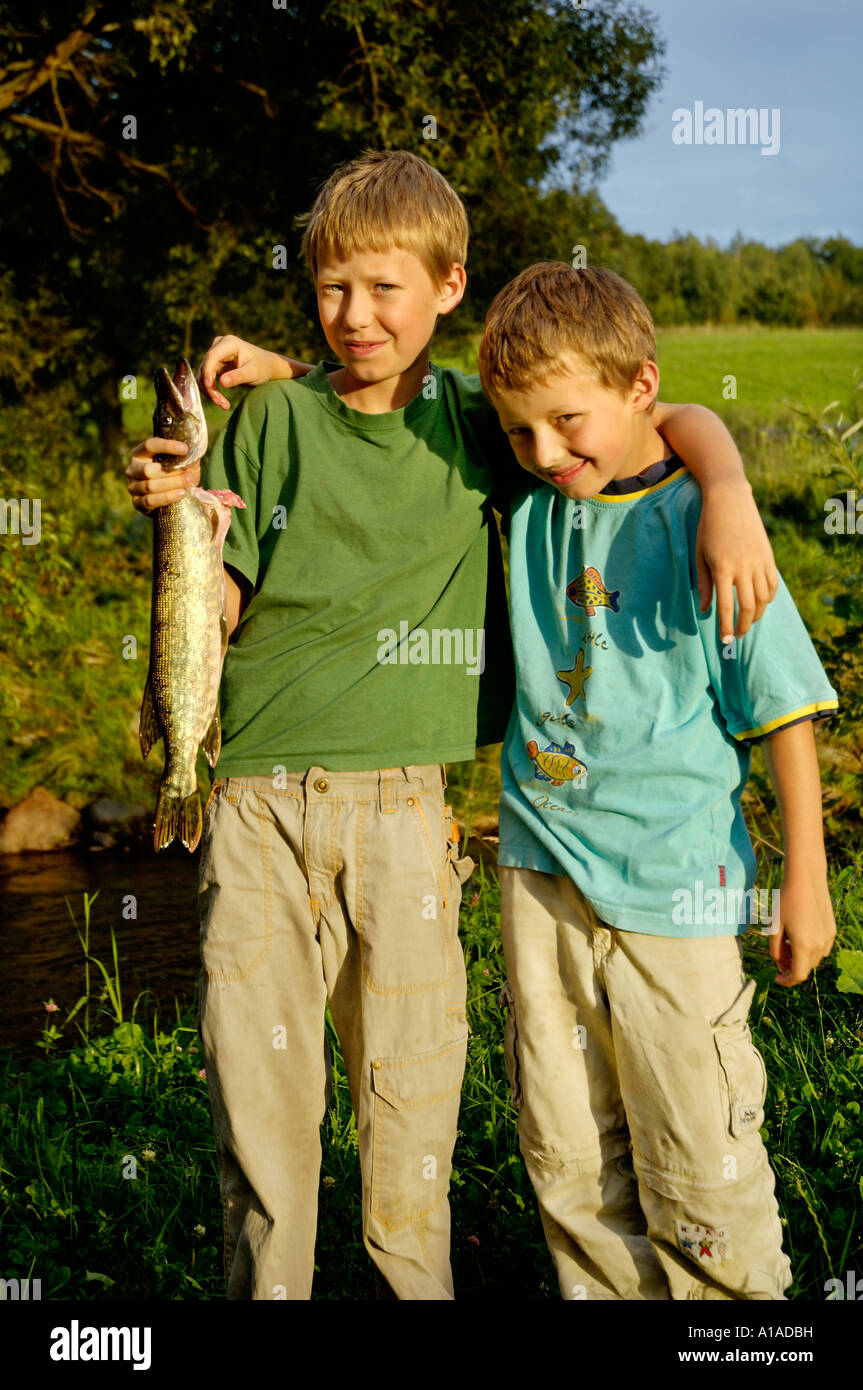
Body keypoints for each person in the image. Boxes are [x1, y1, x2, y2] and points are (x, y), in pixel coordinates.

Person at [126, 150, 779, 1300]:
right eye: (332, 290)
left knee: (408, 1109)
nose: (355, 314)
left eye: (385, 289)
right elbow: (218, 598)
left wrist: (723, 488)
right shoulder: (273, 422)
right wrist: (183, 511)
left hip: (402, 808)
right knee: (260, 1111)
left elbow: (647, 413)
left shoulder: (483, 425)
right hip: (254, 798)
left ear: (447, 287)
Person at [475, 260, 838, 1300]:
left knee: (697, 1161)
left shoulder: (708, 531)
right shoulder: (538, 487)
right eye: (518, 433)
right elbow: (402, 395)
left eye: (564, 422)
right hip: (541, 875)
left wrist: (803, 881)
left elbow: (782, 711)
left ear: (639, 388)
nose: (544, 454)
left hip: (673, 894)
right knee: (568, 1152)